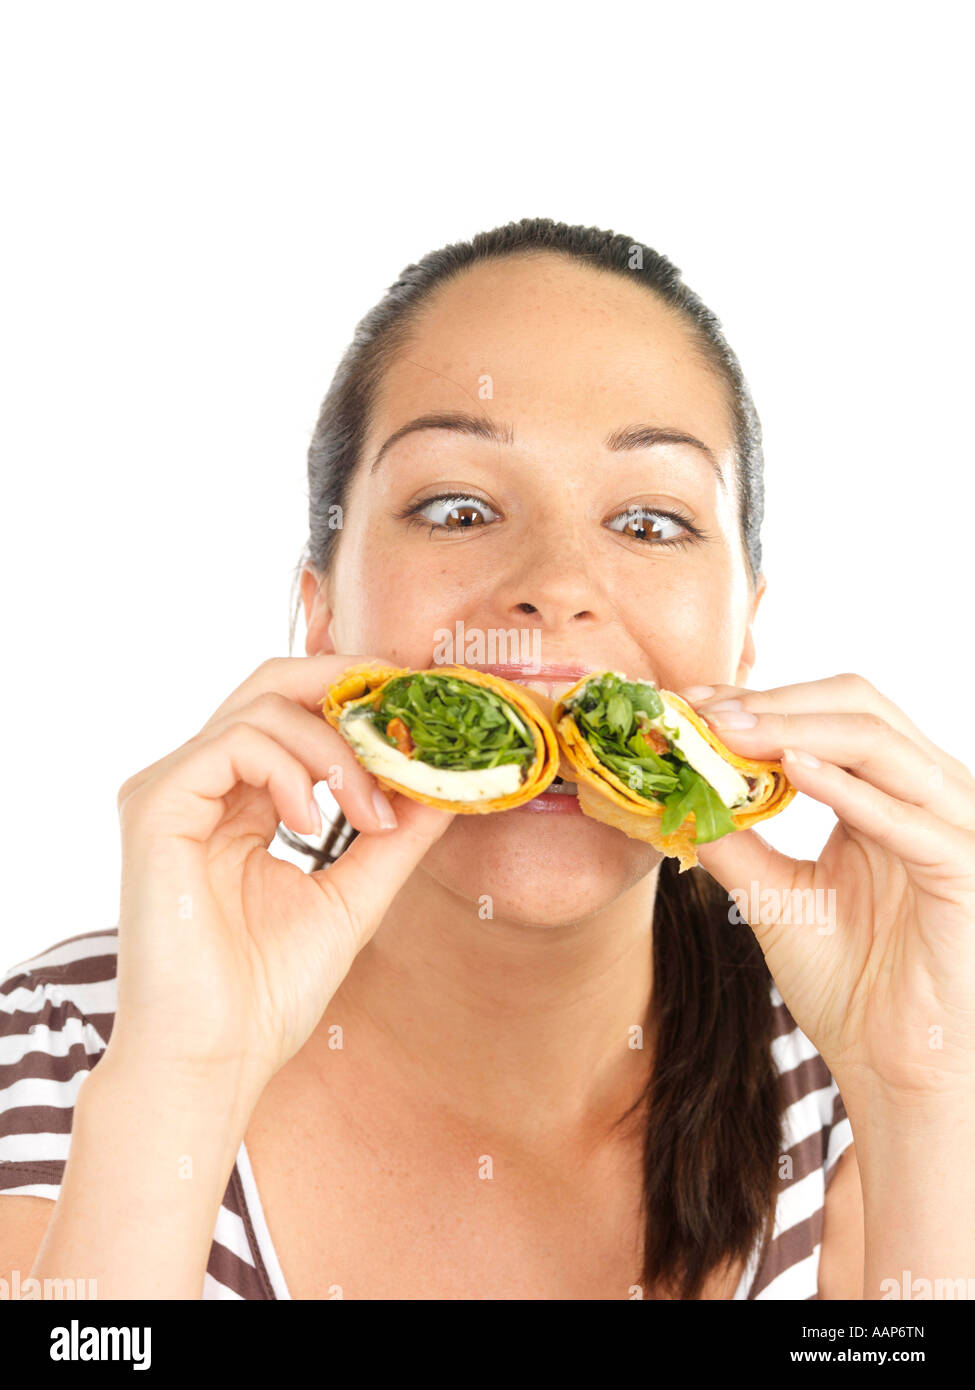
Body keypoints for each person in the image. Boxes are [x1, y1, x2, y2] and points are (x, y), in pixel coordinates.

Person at [3, 218, 973, 1300]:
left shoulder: (866, 1075)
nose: (556, 584)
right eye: (457, 508)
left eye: (651, 522)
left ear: (743, 637)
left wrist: (920, 1093)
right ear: (322, 618)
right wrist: (181, 1084)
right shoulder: (75, 1051)